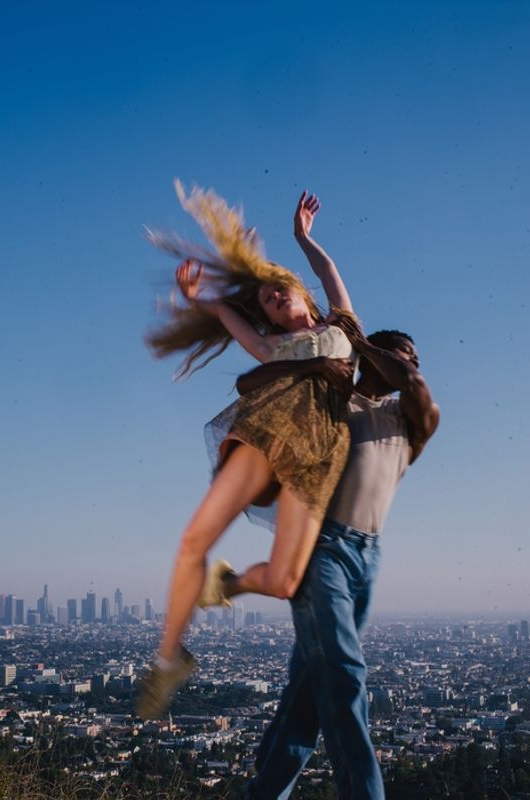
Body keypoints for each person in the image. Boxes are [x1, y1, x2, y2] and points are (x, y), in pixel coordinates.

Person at [136, 184, 365, 719]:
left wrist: (303, 239)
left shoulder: (343, 326)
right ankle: (168, 658)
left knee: (286, 582)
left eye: (278, 289)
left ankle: (228, 583)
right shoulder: (272, 347)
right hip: (270, 433)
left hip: (320, 455)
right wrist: (202, 302)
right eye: (264, 300)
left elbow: (330, 273)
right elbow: (226, 317)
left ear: (299, 293)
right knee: (195, 537)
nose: (272, 298)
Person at [237, 232, 441, 797]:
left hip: (366, 559)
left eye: (408, 358)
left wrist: (364, 343)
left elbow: (415, 382)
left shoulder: (415, 420)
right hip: (319, 548)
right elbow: (257, 376)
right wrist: (333, 343)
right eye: (399, 353)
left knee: (308, 697)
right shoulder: (334, 401)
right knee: (346, 675)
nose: (408, 365)